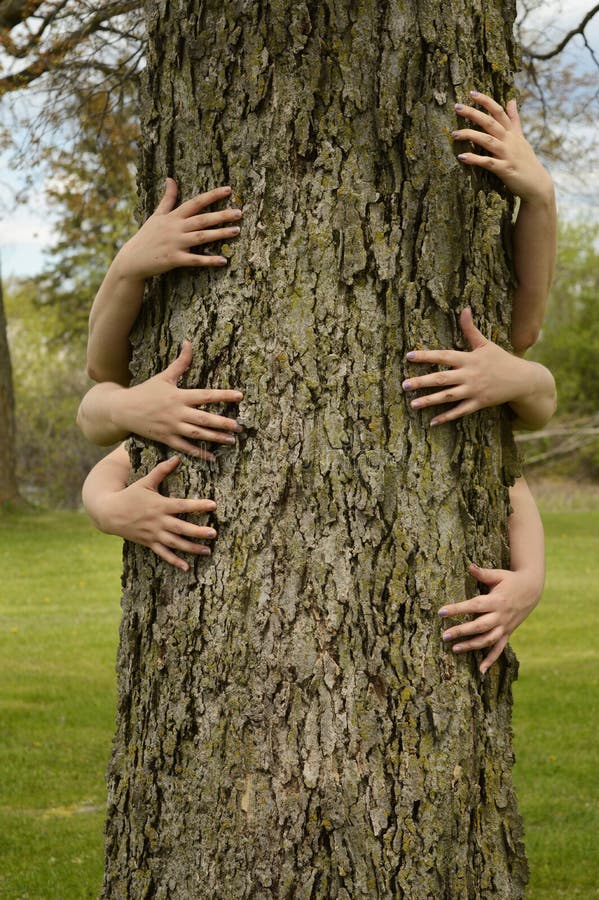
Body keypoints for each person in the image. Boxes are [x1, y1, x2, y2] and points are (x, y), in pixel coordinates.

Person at [79, 92, 556, 672]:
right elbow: (98, 396)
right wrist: (129, 266)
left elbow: (531, 391)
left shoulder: (479, 379)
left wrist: (540, 197)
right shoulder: (167, 408)